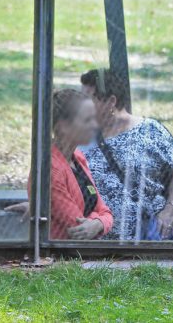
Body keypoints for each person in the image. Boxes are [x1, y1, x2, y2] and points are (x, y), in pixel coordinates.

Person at [79, 68, 173, 241]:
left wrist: (171, 210)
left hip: (150, 239)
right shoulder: (80, 136)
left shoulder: (150, 131)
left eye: (87, 99)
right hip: (100, 244)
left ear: (111, 101)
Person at [42, 88, 113, 240]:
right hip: (62, 253)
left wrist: (97, 224)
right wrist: (99, 221)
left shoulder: (78, 157)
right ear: (63, 126)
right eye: (88, 120)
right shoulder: (51, 170)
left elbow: (106, 211)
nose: (95, 125)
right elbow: (78, 227)